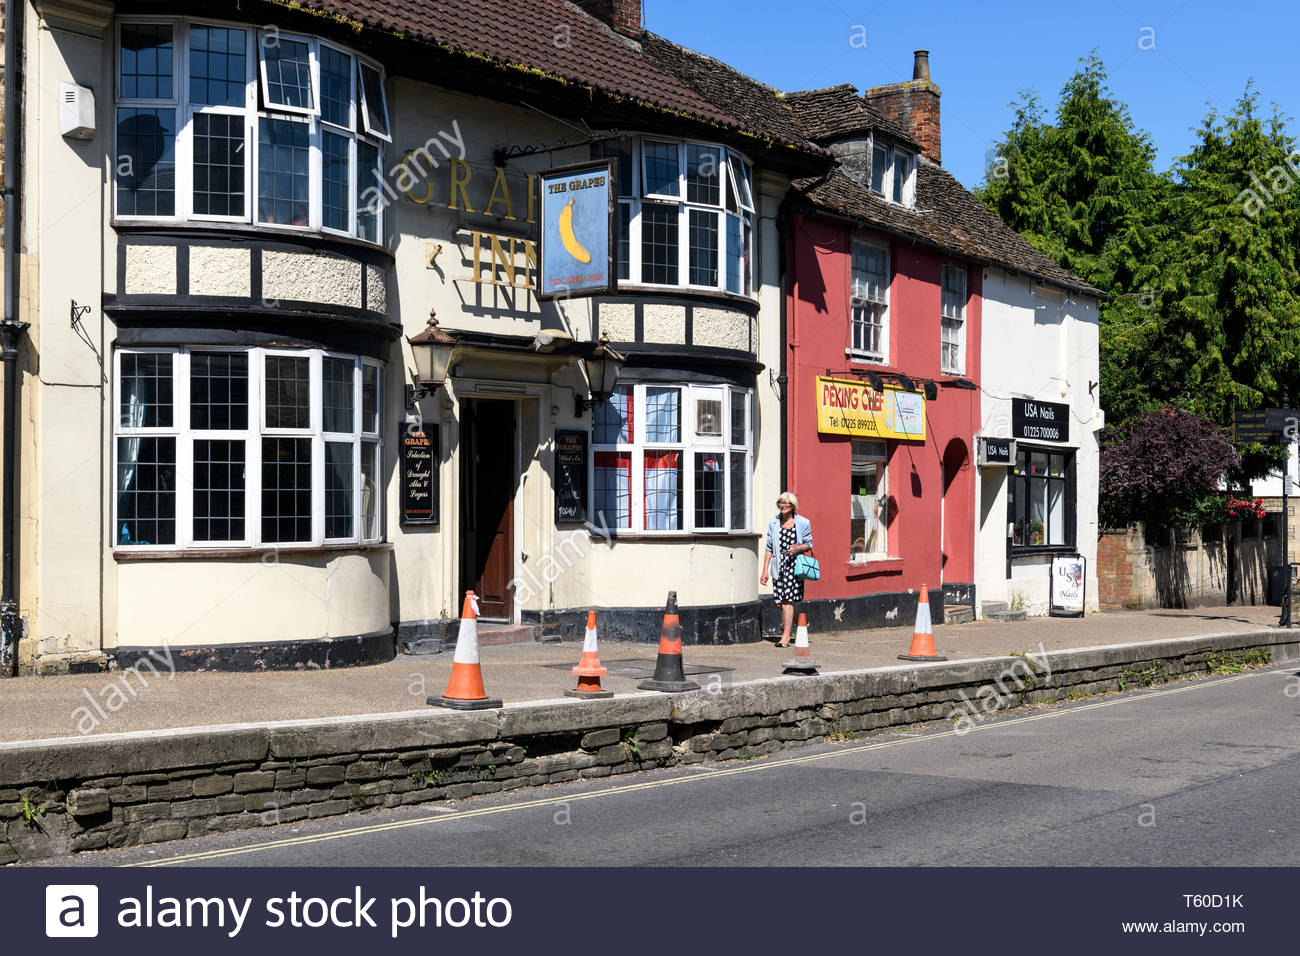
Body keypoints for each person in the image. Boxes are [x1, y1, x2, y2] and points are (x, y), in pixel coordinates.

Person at [760, 491, 814, 647]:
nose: (782, 506)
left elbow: (809, 544)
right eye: (780, 503)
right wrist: (765, 571)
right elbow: (769, 547)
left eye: (785, 503)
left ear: (792, 505)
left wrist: (797, 548)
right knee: (779, 602)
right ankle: (799, 620)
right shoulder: (774, 523)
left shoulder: (803, 522)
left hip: (794, 566)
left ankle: (786, 637)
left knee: (787, 600)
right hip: (779, 566)